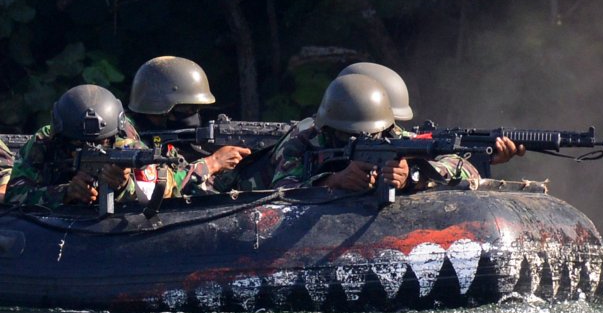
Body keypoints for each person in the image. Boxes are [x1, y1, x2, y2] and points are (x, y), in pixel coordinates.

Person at [270, 73, 479, 191]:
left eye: (370, 134)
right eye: (346, 134)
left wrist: (413, 175)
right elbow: (281, 189)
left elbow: (466, 169)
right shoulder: (306, 137)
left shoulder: (392, 137)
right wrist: (333, 180)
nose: (360, 138)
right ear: (329, 127)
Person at [337, 62, 526, 167]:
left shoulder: (403, 140)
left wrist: (483, 156)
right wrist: (330, 180)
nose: (390, 129)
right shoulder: (319, 141)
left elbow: (450, 159)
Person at [4, 85, 142, 208]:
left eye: (101, 143)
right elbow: (14, 194)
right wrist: (65, 193)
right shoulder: (44, 141)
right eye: (78, 143)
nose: (92, 148)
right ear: (61, 137)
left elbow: (152, 194)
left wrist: (124, 186)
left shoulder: (128, 147)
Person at [127, 55, 251, 193]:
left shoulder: (163, 141)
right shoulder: (128, 138)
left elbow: (185, 183)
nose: (194, 115)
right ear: (161, 107)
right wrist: (213, 163)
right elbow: (152, 187)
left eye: (197, 108)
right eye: (188, 108)